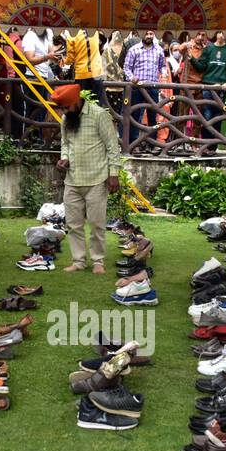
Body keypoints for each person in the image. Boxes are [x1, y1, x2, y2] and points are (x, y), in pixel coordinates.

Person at [53, 83, 121, 274]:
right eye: (62, 108)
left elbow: (112, 147)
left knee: (97, 224)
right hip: (72, 179)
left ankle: (98, 261)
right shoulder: (67, 118)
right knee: (73, 225)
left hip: (97, 179)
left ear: (77, 100)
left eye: (67, 107)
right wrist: (64, 159)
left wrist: (113, 174)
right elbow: (65, 144)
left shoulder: (99, 115)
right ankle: (79, 261)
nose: (65, 111)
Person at [191, 31, 226, 147]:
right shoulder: (209, 49)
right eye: (220, 32)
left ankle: (214, 145)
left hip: (221, 87)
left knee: (218, 115)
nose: (221, 35)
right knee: (207, 115)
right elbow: (201, 66)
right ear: (216, 34)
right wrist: (191, 58)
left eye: (223, 33)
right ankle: (206, 144)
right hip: (208, 85)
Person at [122, 29, 168, 145]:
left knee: (153, 116)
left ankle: (151, 143)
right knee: (135, 115)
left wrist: (163, 73)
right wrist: (132, 78)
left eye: (151, 34)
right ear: (142, 35)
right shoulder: (134, 50)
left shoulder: (159, 50)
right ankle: (134, 143)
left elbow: (162, 66)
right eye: (146, 34)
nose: (149, 36)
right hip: (137, 87)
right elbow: (126, 67)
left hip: (152, 87)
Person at [64, 28, 106, 101]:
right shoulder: (94, 32)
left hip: (81, 75)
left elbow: (70, 59)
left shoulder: (71, 36)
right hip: (97, 73)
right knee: (96, 104)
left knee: (83, 106)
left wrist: (65, 61)